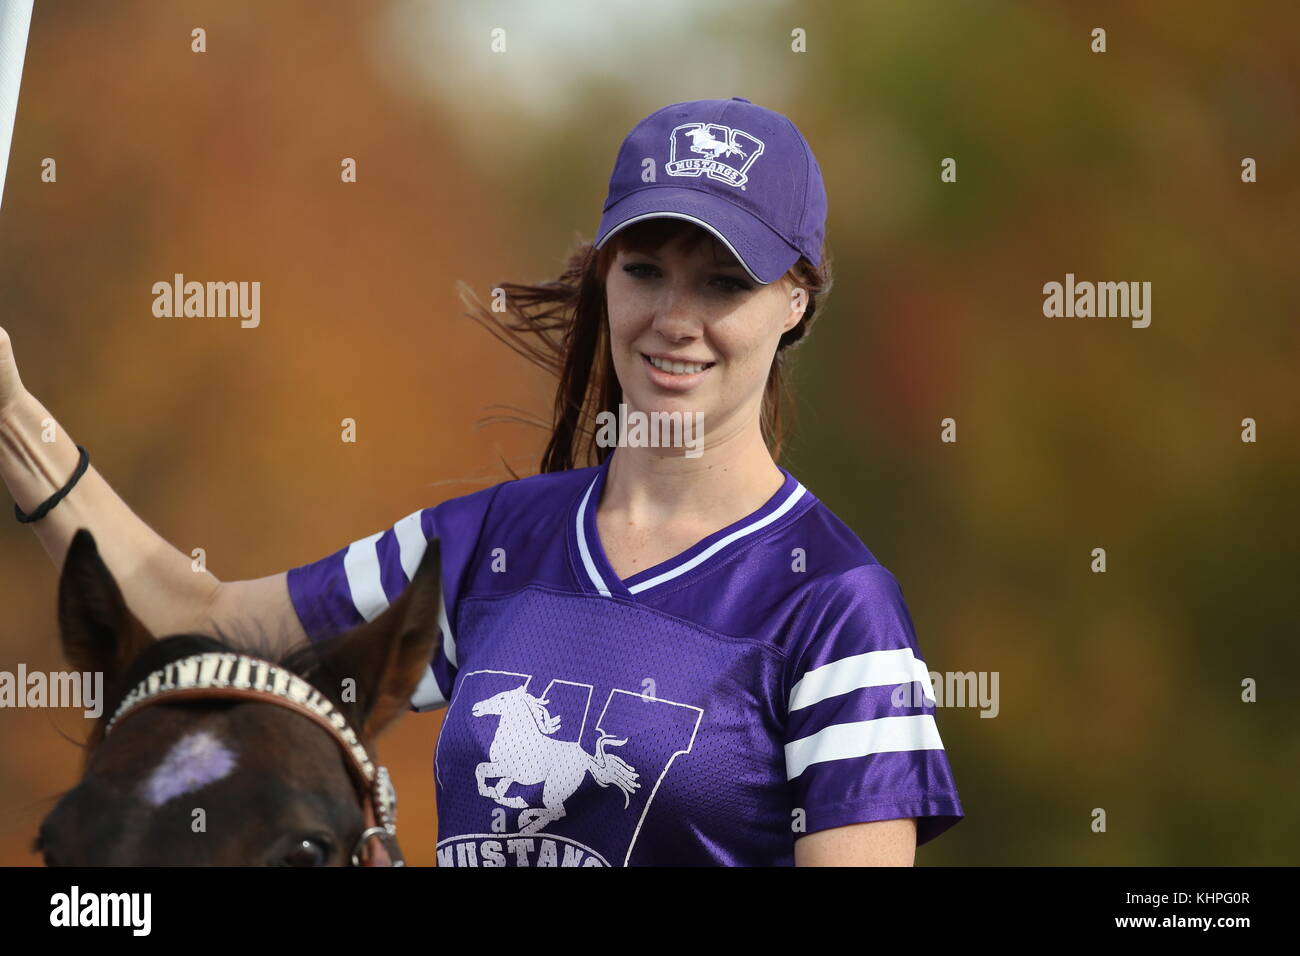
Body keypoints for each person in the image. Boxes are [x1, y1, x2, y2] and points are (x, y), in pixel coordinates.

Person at [1, 97, 963, 866]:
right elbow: (202, 621)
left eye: (724, 283)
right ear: (604, 279)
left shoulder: (839, 608)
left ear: (794, 299)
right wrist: (13, 414)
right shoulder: (493, 544)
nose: (675, 318)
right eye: (645, 270)